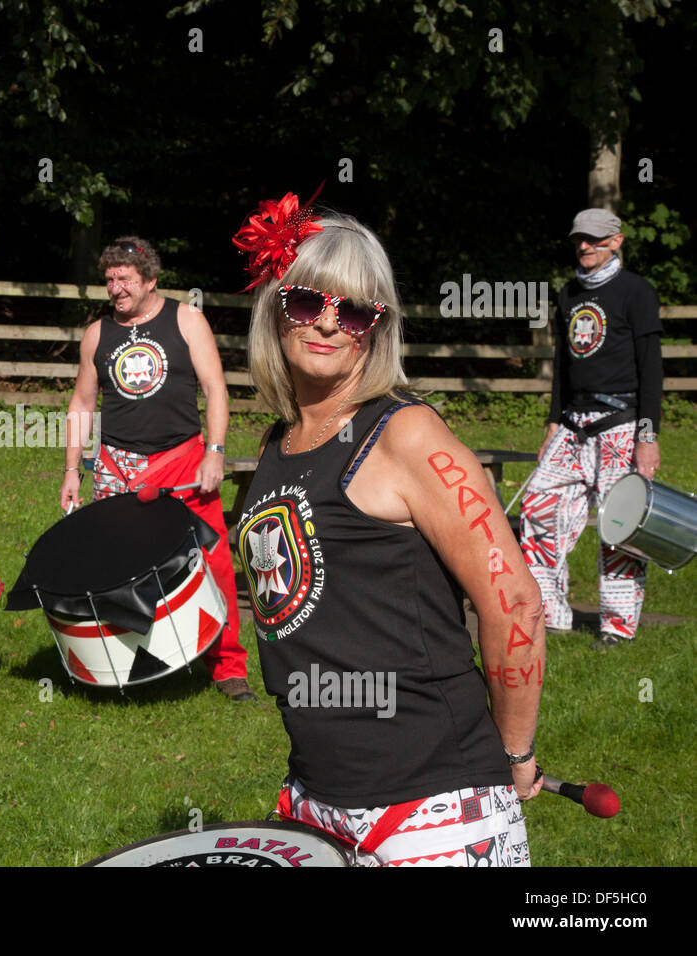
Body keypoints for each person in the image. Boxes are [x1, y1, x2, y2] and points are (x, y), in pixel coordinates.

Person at [231, 192, 545, 866]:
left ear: (377, 326)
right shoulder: (278, 444)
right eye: (309, 302)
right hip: (315, 796)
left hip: (431, 809)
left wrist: (516, 752)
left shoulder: (404, 433)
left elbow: (513, 599)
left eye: (355, 311)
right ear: (276, 307)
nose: (328, 325)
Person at [59, 238, 256, 702]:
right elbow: (83, 403)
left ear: (150, 279)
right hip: (116, 466)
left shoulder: (186, 319)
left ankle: (228, 667)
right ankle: (124, 661)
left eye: (125, 278)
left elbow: (215, 389)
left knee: (211, 559)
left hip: (182, 459)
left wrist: (216, 451)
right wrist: (72, 467)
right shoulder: (97, 333)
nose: (115, 287)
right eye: (109, 279)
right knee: (117, 566)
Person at [519, 208, 662, 651]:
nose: (585, 247)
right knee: (537, 509)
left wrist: (648, 436)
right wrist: (552, 423)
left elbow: (652, 368)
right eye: (580, 239)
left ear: (616, 241)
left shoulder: (636, 292)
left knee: (618, 527)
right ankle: (552, 616)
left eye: (595, 240)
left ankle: (616, 630)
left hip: (621, 424)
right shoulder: (568, 293)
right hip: (572, 425)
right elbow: (563, 367)